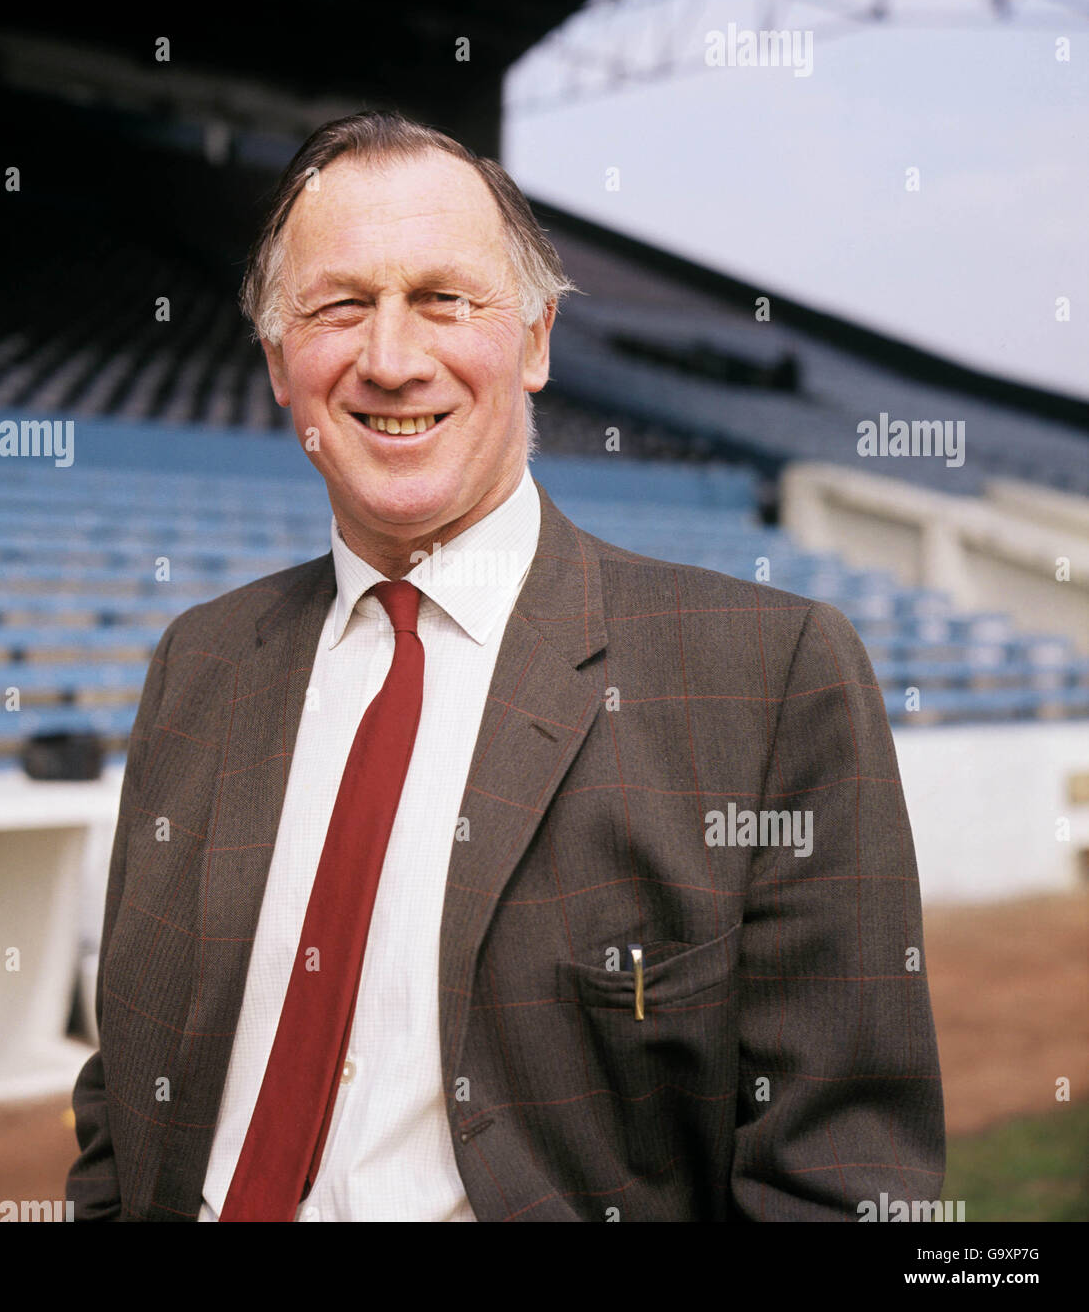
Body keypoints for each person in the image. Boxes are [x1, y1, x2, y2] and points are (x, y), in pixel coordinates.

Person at [66, 109, 945, 1222]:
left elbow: (841, 1184)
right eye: (340, 305)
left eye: (444, 298)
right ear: (280, 361)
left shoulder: (768, 680)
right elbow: (121, 1103)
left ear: (532, 340)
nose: (390, 359)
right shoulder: (198, 666)